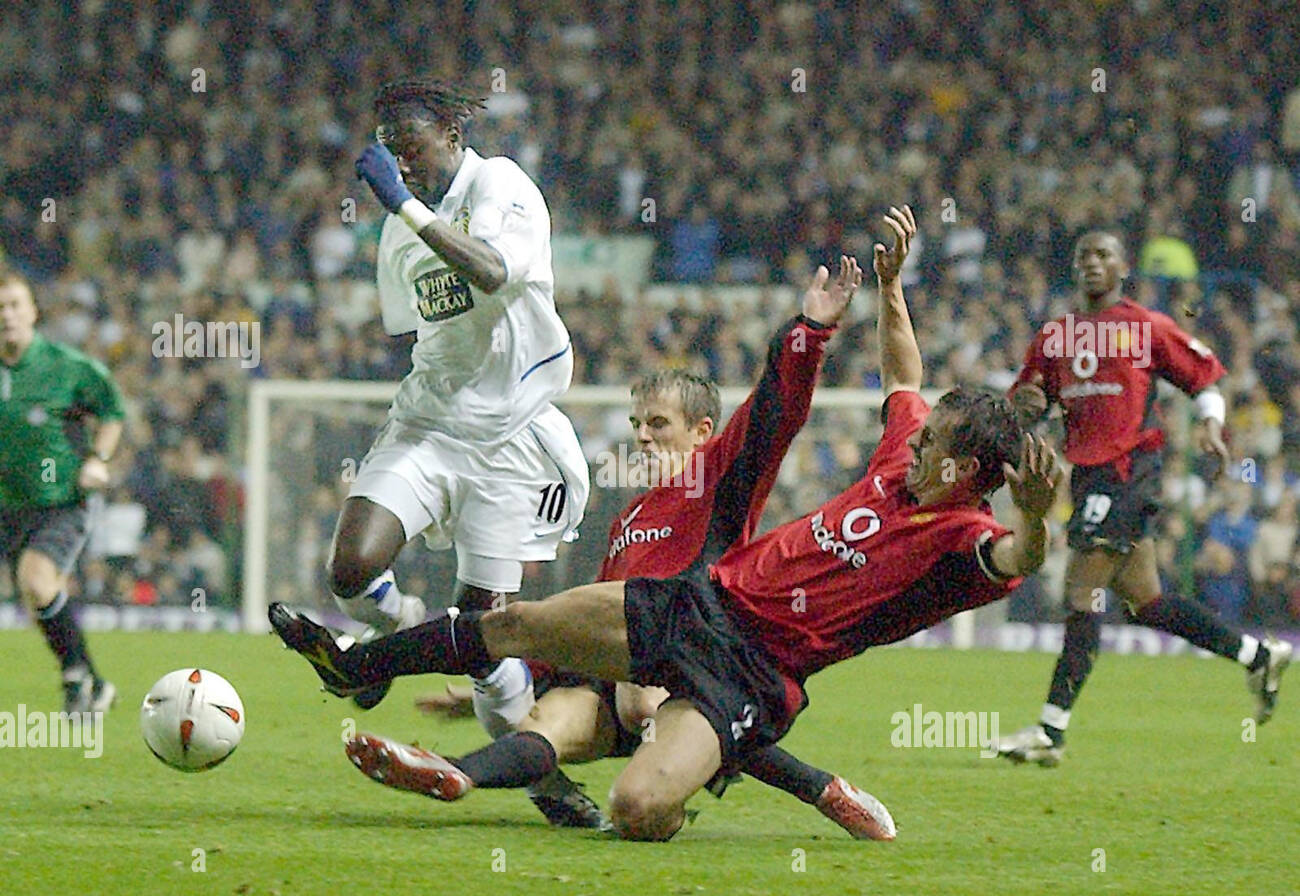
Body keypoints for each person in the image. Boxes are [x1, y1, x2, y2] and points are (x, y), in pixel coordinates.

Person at [271, 205, 1060, 842]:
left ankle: (749, 785)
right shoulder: (896, 461)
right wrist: (891, 289)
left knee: (638, 809)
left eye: (930, 441)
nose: (912, 434)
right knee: (512, 626)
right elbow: (905, 374)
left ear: (957, 472)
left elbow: (1018, 552)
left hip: (756, 673)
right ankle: (364, 673)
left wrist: (1031, 513)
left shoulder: (961, 545)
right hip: (700, 604)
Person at [351, 256, 901, 839]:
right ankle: (453, 772)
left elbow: (776, 413)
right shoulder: (631, 516)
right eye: (638, 422)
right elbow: (594, 619)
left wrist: (810, 333)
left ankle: (818, 787)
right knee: (551, 718)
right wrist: (510, 681)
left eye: (659, 423)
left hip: (692, 666)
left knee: (643, 708)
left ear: (703, 432)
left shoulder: (720, 478)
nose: (641, 435)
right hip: (619, 673)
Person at [325, 78, 595, 825]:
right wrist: (407, 214)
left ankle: (544, 783)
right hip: (432, 423)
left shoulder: (501, 184)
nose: (401, 164)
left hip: (508, 439)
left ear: (450, 130)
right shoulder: (398, 225)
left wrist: (406, 209)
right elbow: (422, 325)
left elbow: (494, 273)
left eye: (409, 144)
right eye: (389, 151)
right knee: (350, 567)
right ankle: (394, 617)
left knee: (484, 633)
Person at [996, 230, 1290, 766]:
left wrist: (1210, 426)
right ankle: (1257, 654)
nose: (1092, 263)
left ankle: (1050, 731)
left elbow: (1203, 380)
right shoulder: (1055, 336)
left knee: (1079, 588)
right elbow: (1026, 398)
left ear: (1123, 266)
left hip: (1130, 469)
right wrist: (1028, 403)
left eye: (1104, 255)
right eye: (1083, 254)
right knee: (1145, 599)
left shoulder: (1145, 327)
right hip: (1087, 474)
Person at [0, 270, 123, 713]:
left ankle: (78, 677)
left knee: (37, 580)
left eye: (15, 305)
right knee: (38, 599)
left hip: (60, 502)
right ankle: (88, 678)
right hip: (6, 506)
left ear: (33, 311)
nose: (7, 315)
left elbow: (111, 411)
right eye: (0, 308)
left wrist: (98, 460)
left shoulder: (67, 367)